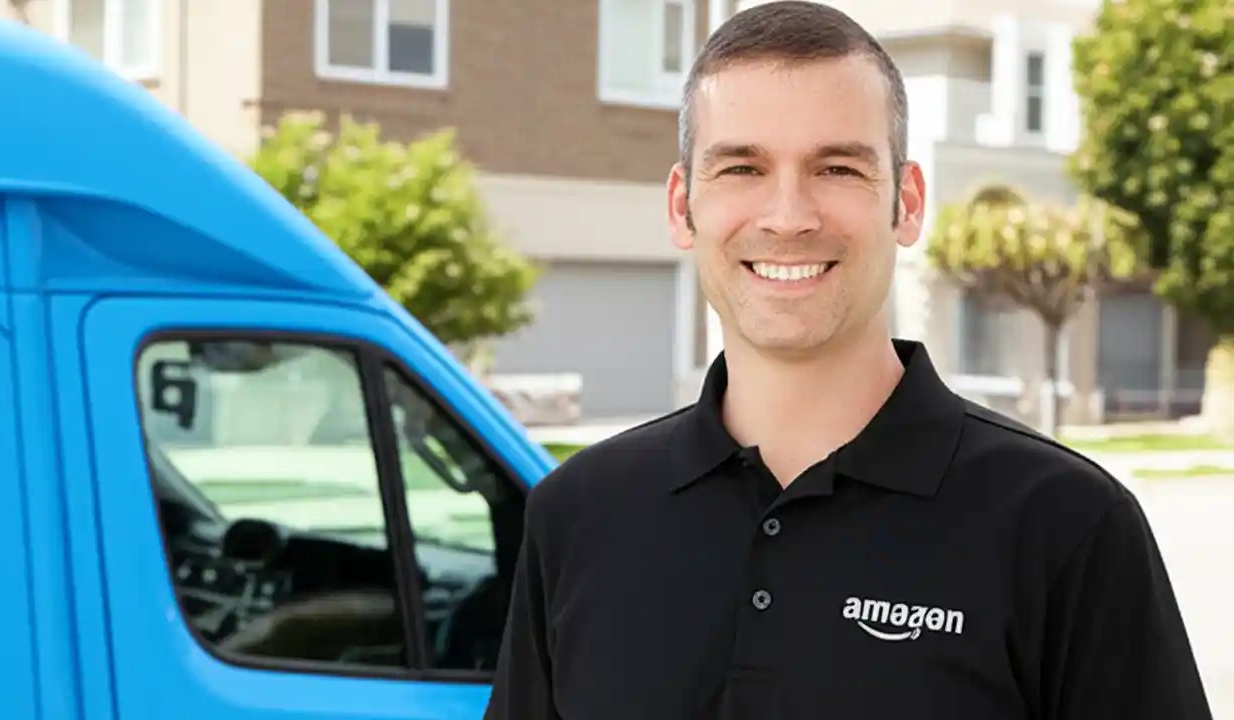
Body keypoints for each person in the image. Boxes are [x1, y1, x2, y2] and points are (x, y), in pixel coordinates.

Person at [483, 2, 1214, 718]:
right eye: (742, 168)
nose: (789, 216)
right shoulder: (577, 517)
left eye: (837, 169)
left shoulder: (1066, 524)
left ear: (907, 201)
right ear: (682, 207)